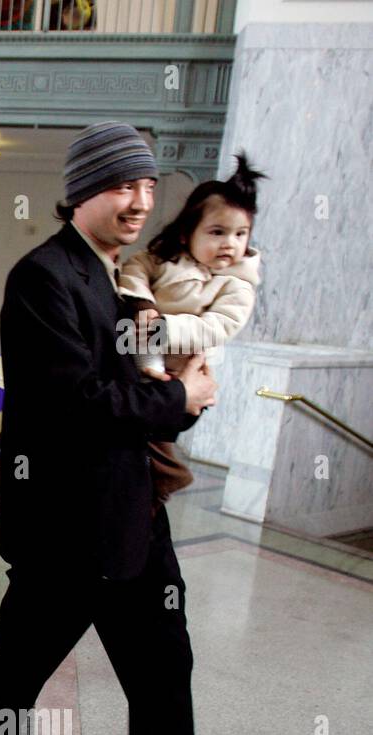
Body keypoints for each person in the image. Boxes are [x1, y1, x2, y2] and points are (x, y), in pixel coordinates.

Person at [0, 122, 269, 735]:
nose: (137, 200)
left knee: (165, 671)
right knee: (21, 662)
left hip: (133, 516)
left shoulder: (126, 277)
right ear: (82, 190)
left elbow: (141, 392)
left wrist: (185, 394)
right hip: (65, 525)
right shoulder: (44, 278)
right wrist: (176, 395)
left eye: (147, 186)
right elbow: (75, 404)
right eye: (120, 185)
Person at [119, 153, 265, 500]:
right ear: (187, 234)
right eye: (217, 232)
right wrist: (143, 304)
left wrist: (163, 327)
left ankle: (166, 477)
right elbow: (135, 268)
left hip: (182, 368)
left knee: (155, 429)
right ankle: (151, 481)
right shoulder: (163, 259)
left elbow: (218, 326)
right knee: (132, 427)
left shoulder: (236, 284)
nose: (229, 243)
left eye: (240, 234)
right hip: (140, 355)